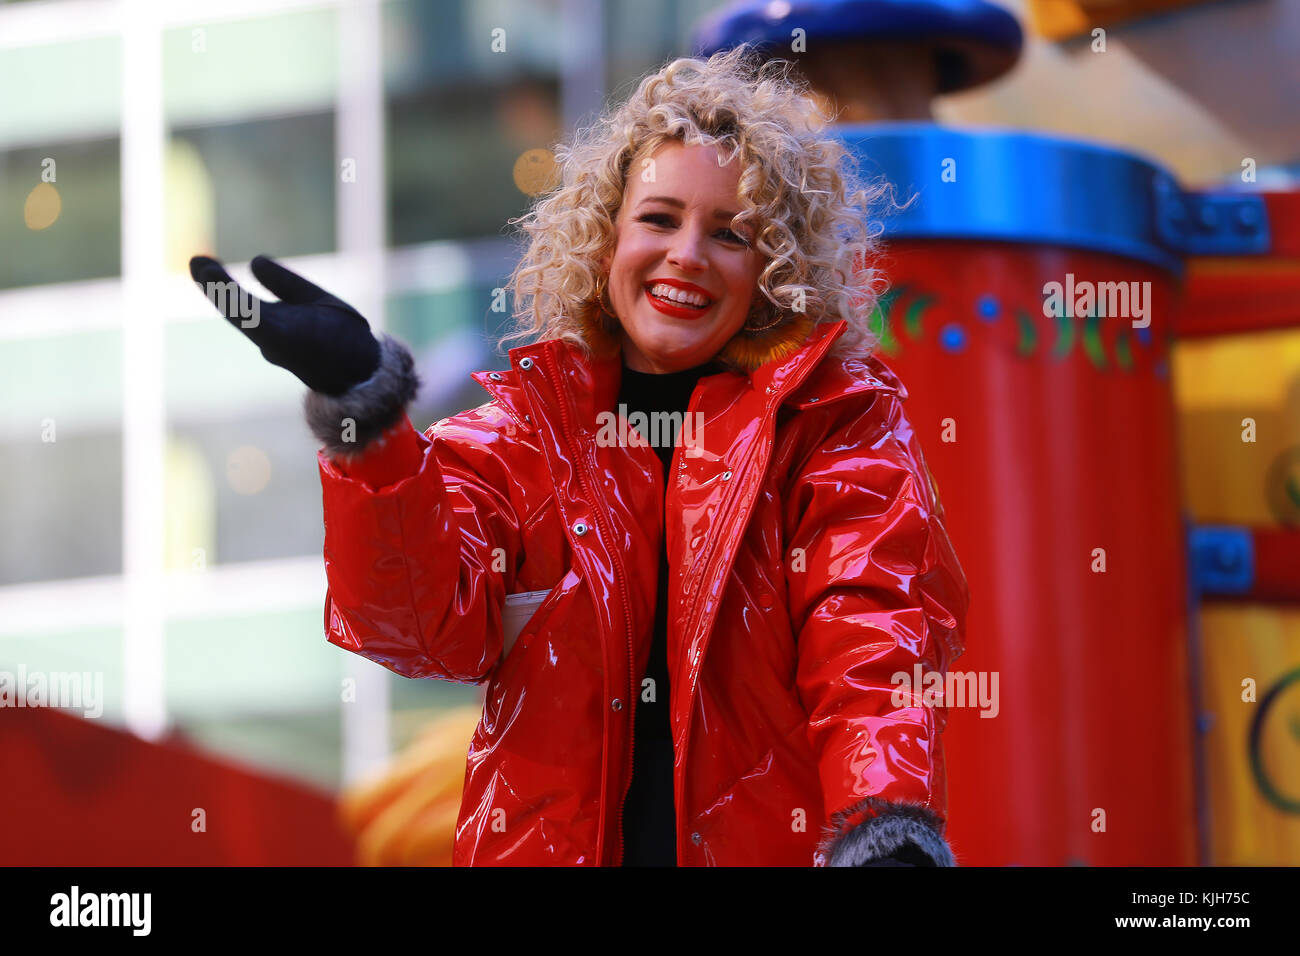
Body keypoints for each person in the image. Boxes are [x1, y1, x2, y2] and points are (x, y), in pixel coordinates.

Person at [189, 45, 969, 867]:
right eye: (660, 219)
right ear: (605, 240)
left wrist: (884, 822)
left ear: (776, 272)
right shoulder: (521, 440)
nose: (687, 255)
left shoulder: (835, 430)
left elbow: (872, 638)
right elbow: (419, 630)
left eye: (732, 233)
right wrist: (366, 417)